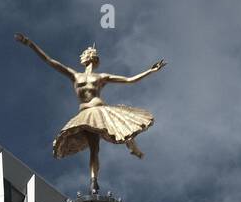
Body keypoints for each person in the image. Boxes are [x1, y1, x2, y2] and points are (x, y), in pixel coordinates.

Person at [15, 34, 166, 193]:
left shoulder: (101, 77)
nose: (84, 56)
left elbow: (129, 80)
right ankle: (94, 179)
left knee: (121, 125)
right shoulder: (75, 75)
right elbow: (50, 61)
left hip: (99, 110)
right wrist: (30, 44)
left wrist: (151, 70)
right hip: (85, 114)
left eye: (86, 54)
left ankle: (129, 149)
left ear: (91, 58)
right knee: (94, 149)